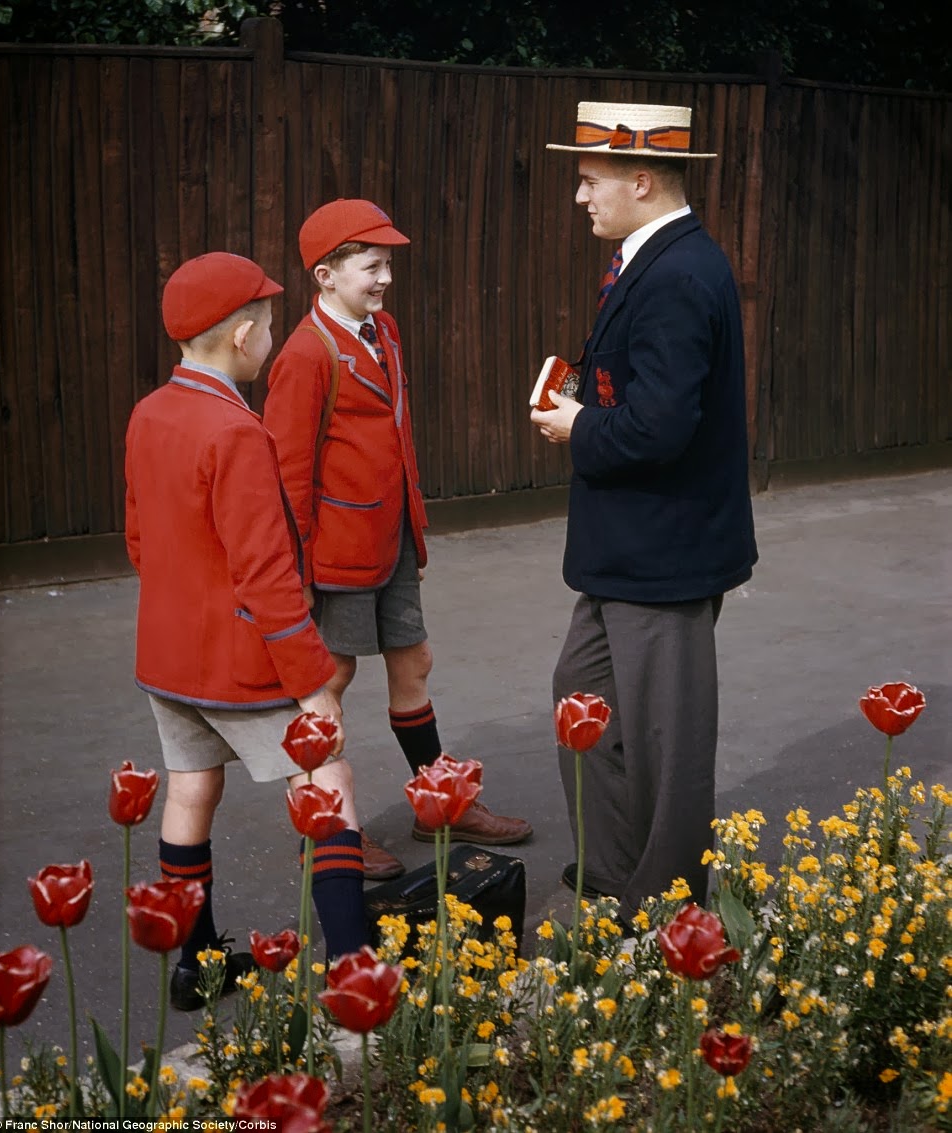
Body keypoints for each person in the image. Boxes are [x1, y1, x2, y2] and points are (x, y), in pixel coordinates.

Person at [124, 252, 370, 1011]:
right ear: (241, 336)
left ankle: (195, 965)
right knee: (329, 782)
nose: (271, 334)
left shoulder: (149, 412)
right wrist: (314, 686)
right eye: (266, 324)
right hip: (241, 659)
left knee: (192, 789)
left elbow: (139, 538)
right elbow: (267, 575)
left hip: (166, 655)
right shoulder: (238, 431)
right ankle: (355, 974)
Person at [534, 102, 758, 928]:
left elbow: (662, 426)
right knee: (581, 693)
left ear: (640, 179)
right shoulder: (658, 261)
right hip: (632, 548)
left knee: (666, 738)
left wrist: (578, 425)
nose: (581, 198)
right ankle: (615, 869)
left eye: (590, 181)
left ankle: (665, 908)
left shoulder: (674, 275)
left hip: (664, 549)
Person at [263, 199, 532, 880]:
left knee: (413, 661)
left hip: (393, 535)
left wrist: (413, 523)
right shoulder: (304, 353)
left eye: (387, 265)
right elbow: (288, 475)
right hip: (338, 549)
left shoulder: (383, 330)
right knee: (332, 679)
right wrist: (295, 572)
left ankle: (437, 803)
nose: (384, 278)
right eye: (370, 266)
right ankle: (322, 828)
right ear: (325, 275)